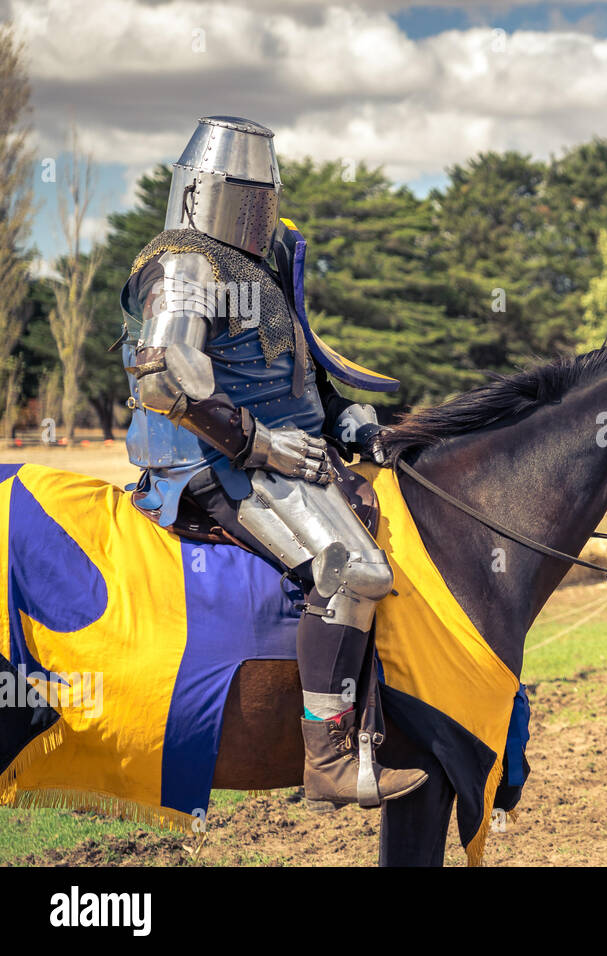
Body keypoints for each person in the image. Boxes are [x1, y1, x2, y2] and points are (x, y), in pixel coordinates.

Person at [117, 116, 427, 808]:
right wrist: (261, 443)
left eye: (267, 198)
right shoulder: (183, 262)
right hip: (210, 458)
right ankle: (329, 757)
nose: (259, 213)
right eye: (244, 197)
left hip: (291, 452)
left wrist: (350, 420)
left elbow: (298, 374)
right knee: (351, 570)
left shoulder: (267, 262)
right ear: (200, 193)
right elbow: (162, 379)